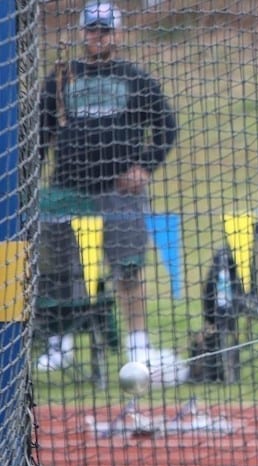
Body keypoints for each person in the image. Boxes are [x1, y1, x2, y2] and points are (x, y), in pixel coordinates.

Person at [37, 1, 182, 380]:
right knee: (62, 273)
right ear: (82, 33)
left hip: (119, 192)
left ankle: (137, 346)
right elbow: (40, 133)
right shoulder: (60, 78)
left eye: (105, 30)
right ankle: (59, 346)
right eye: (91, 29)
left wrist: (144, 167)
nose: (97, 36)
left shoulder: (136, 78)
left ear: (118, 34)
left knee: (128, 269)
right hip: (68, 190)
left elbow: (166, 126)